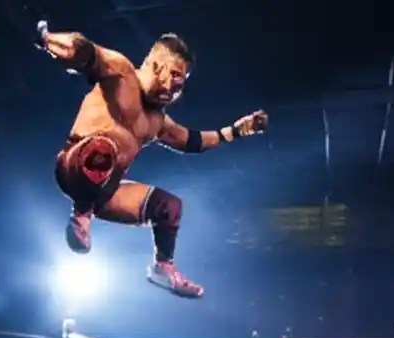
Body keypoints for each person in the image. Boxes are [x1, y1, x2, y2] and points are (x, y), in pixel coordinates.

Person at [36, 22, 268, 298]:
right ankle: (81, 213)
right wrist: (46, 39)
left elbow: (192, 141)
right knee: (104, 148)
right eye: (173, 75)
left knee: (169, 207)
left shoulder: (157, 121)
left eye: (180, 85)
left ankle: (163, 267)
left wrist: (236, 132)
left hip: (107, 192)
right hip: (74, 166)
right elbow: (83, 53)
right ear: (155, 65)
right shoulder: (120, 73)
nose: (173, 90)